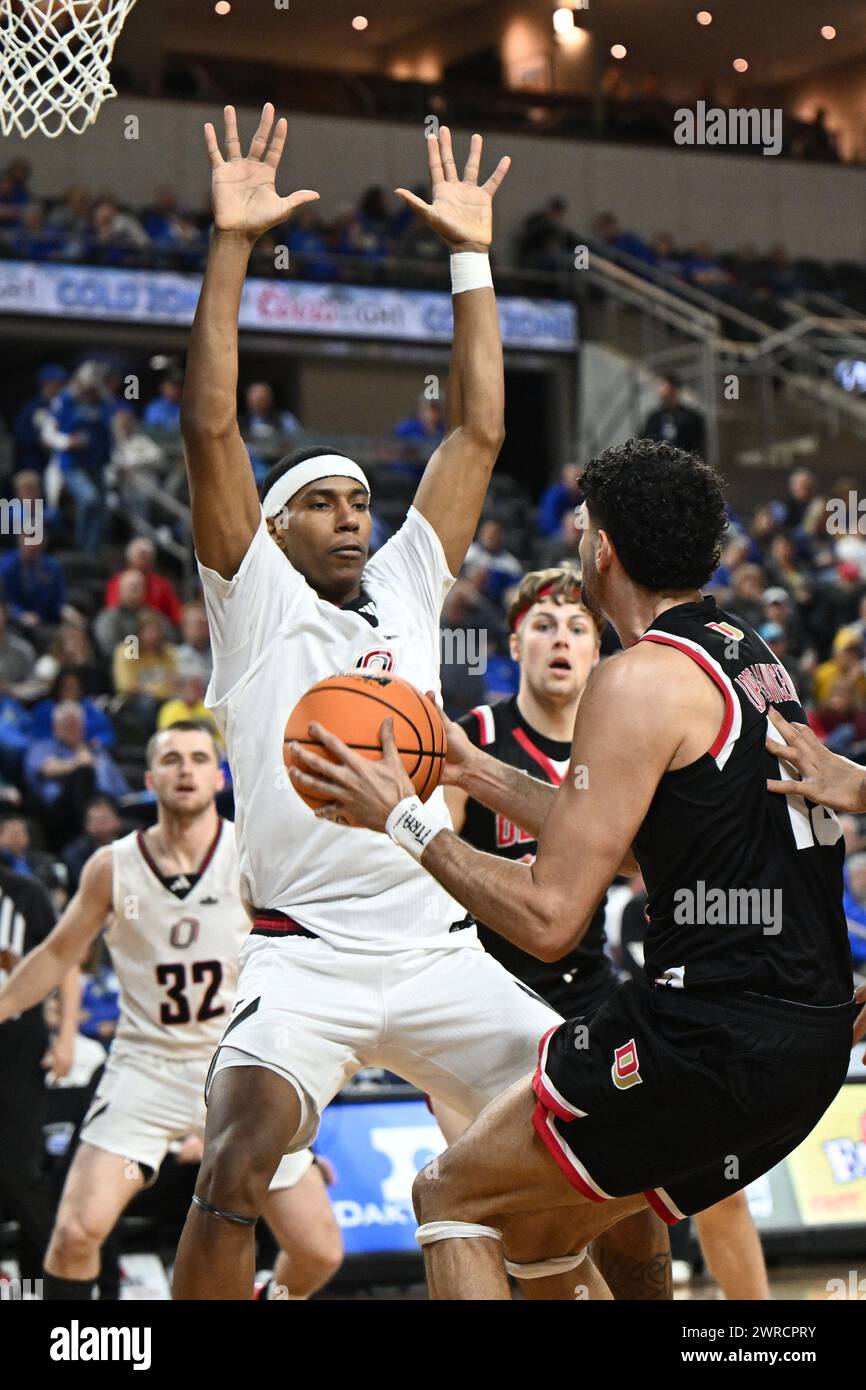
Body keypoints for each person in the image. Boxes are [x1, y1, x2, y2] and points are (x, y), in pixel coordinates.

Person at [297, 437, 857, 1300]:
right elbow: (626, 843)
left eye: (584, 528)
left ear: (602, 550)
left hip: (708, 1035)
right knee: (567, 1223)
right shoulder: (748, 652)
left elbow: (552, 916)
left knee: (452, 1196)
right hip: (806, 1038)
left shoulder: (636, 679)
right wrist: (474, 770)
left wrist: (402, 817)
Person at [170, 105, 564, 1303]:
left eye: (359, 498)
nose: (352, 512)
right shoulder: (252, 604)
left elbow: (482, 427)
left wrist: (468, 259)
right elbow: (209, 422)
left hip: (444, 947)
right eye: (323, 501)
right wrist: (231, 245)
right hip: (304, 963)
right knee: (237, 1156)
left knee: (592, 1128)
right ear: (274, 529)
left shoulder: (403, 580)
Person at [0, 722, 341, 1300]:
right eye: (173, 759)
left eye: (199, 758)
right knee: (75, 1232)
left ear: (218, 776)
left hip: (239, 1067)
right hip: (146, 1066)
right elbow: (59, 952)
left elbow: (304, 959)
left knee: (318, 1251)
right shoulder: (112, 866)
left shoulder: (249, 855)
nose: (186, 769)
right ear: (152, 778)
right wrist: (5, 1002)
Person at [0, 863, 78, 1286]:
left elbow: (65, 961)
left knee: (18, 1170)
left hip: (16, 1045)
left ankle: (57, 1281)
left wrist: (65, 1037)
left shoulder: (25, 893)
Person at [24, 700, 128, 850]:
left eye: (76, 724)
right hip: (61, 810)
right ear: (56, 727)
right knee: (83, 773)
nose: (73, 728)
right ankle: (91, 827)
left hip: (107, 802)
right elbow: (48, 768)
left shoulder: (96, 750)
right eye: (67, 724)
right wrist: (78, 763)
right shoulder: (43, 747)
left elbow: (118, 785)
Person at [104, 537, 183, 628]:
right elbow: (114, 609)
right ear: (130, 559)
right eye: (141, 557)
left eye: (147, 557)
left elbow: (176, 614)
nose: (144, 561)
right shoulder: (117, 581)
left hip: (155, 628)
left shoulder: (162, 585)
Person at [13, 365, 68, 475]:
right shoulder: (32, 407)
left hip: (62, 460)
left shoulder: (67, 406)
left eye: (61, 385)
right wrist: (39, 440)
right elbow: (20, 433)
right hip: (35, 461)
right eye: (55, 384)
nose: (58, 389)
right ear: (44, 385)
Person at [642, 376, 705, 456]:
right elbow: (646, 440)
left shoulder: (691, 417)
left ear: (673, 388)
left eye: (663, 386)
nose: (659, 390)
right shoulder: (654, 417)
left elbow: (697, 444)